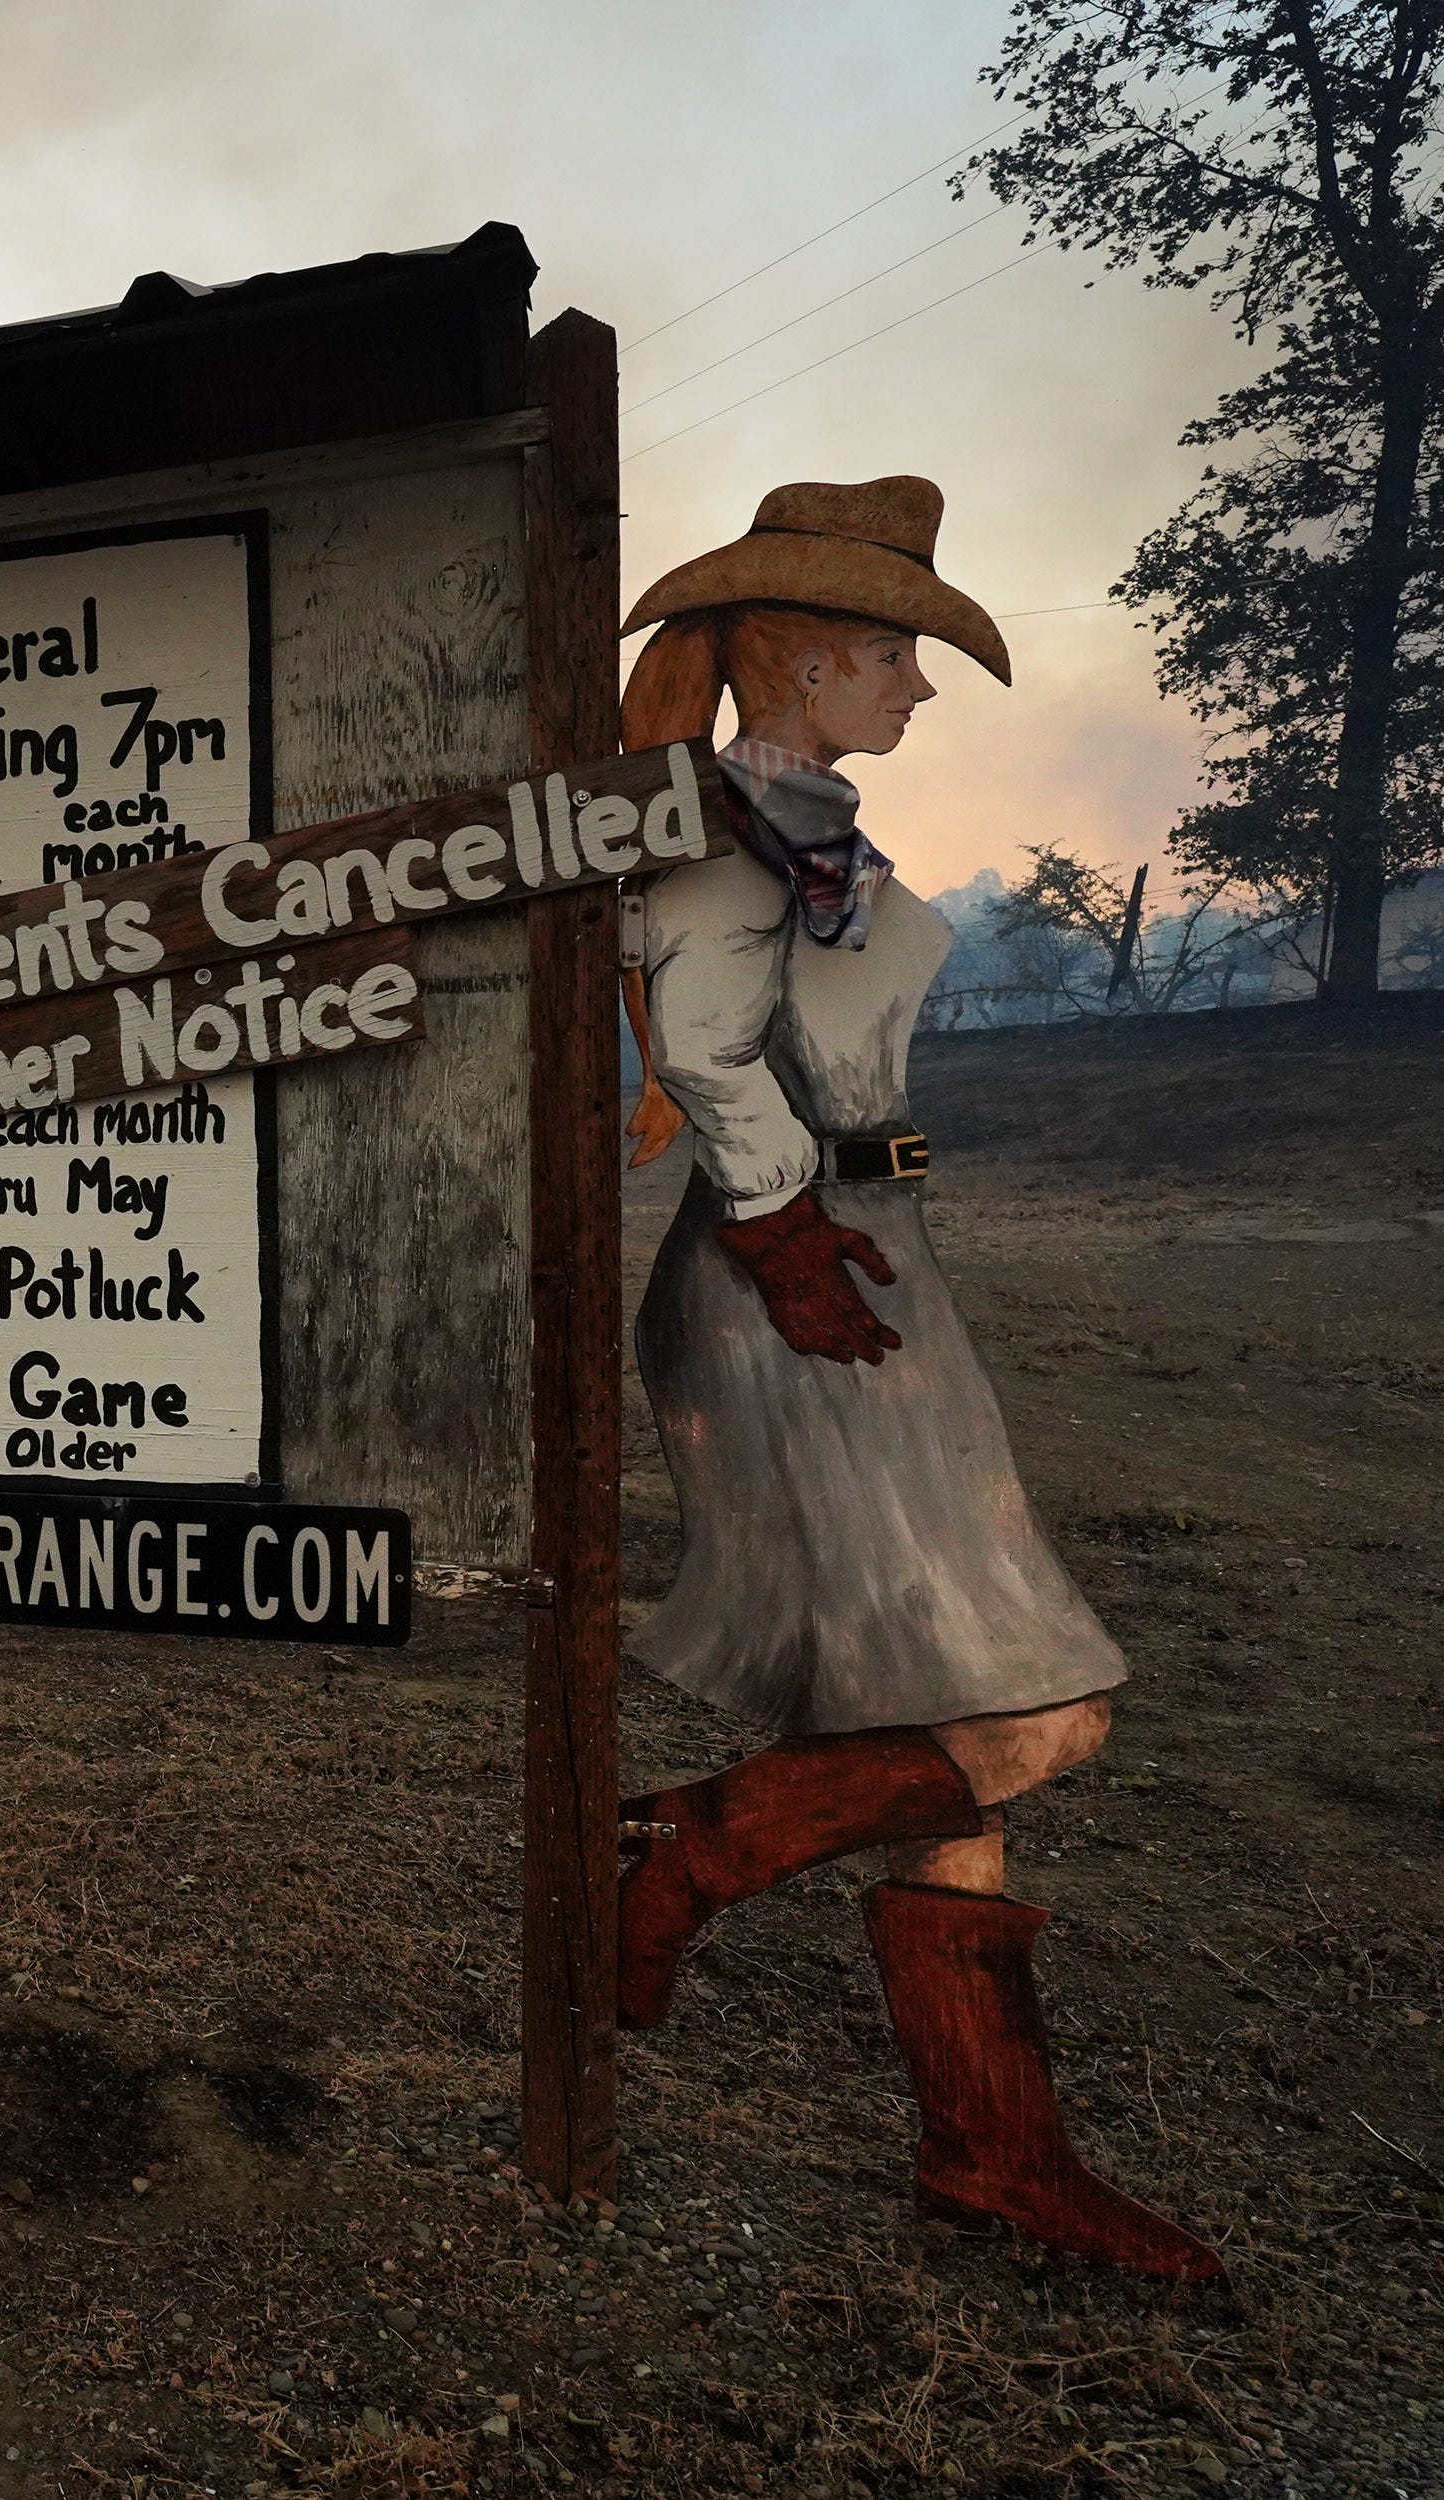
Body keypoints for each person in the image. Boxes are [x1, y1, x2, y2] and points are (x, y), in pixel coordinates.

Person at [613, 478, 1219, 2281]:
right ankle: (687, 1854)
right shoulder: (719, 839)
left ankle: (988, 2153)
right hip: (793, 1277)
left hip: (867, 1260)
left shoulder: (808, 834)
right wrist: (792, 1245)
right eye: (890, 655)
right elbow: (710, 1050)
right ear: (796, 662)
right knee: (1037, 1708)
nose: (915, 689)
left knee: (944, 1727)